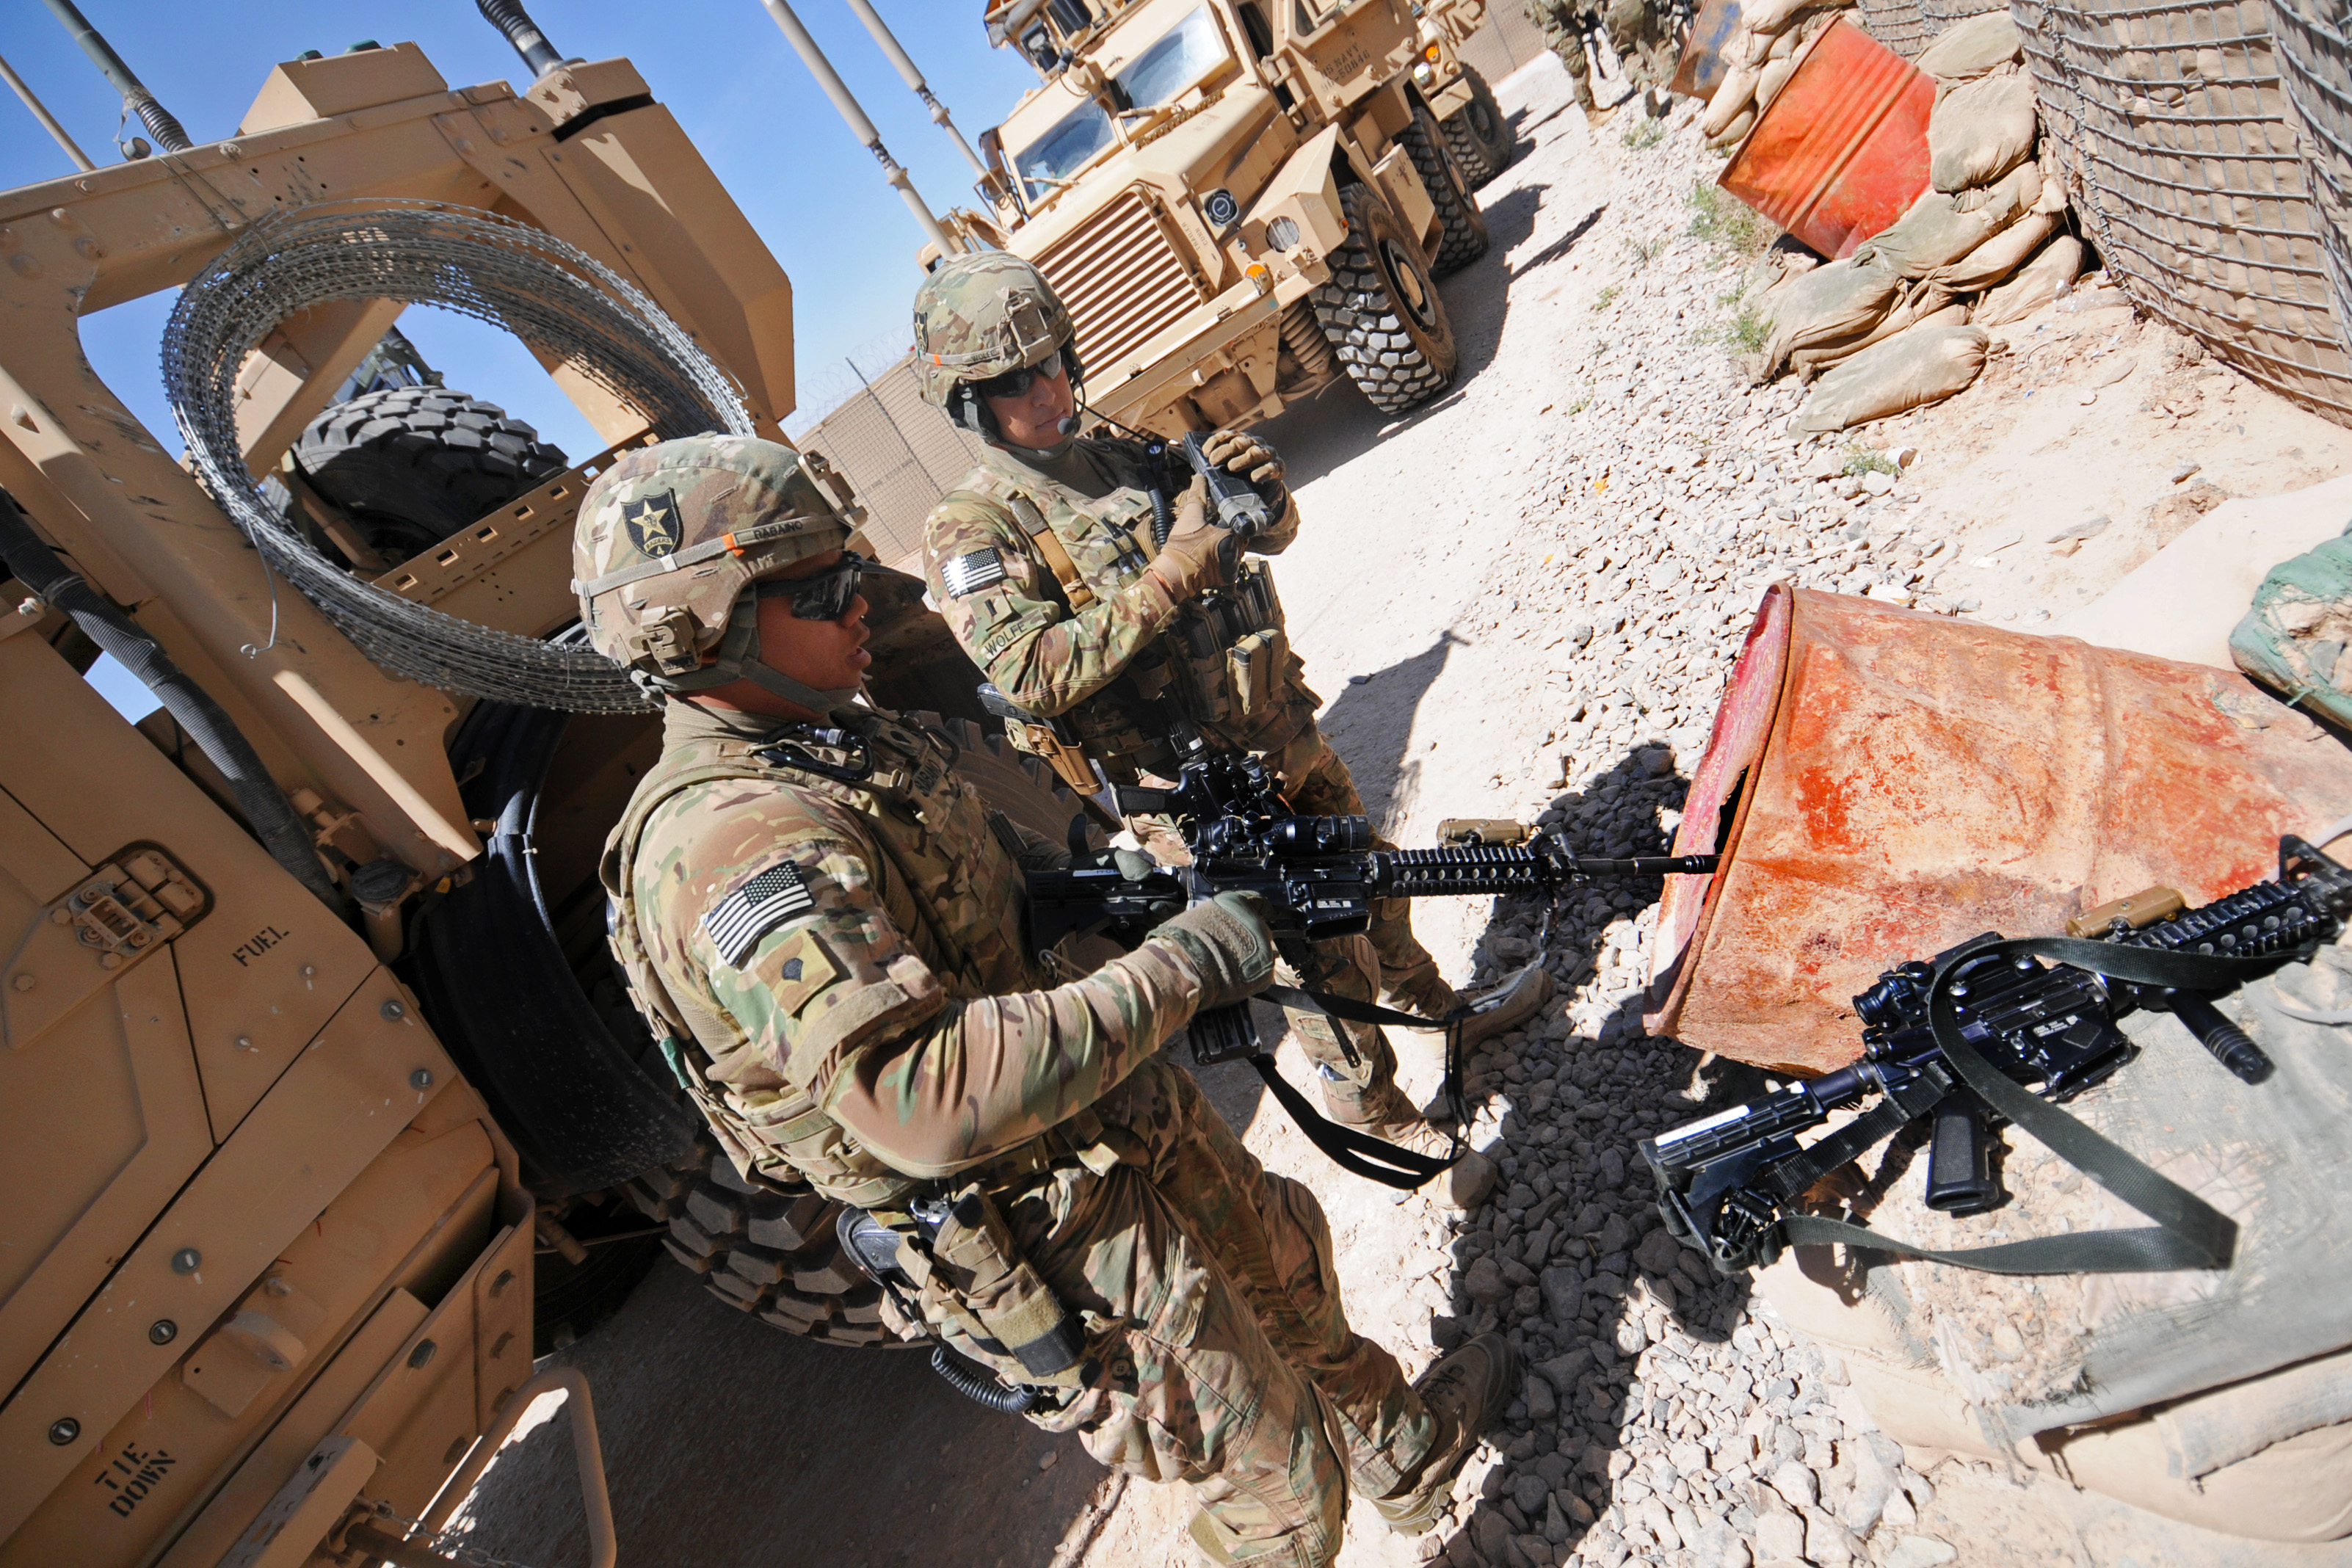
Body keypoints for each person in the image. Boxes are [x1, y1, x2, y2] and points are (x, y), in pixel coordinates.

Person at [581, 434, 1515, 1567]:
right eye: (821, 591)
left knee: (1286, 1272)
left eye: (852, 571)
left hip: (1100, 1112)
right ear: (697, 630)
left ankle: (1406, 1454)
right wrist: (1190, 960)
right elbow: (921, 1095)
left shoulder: (834, 743)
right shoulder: (732, 842)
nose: (862, 604)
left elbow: (983, 884)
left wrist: (1142, 893)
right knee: (1282, 1494)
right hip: (1035, 1225)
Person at [912, 253, 1549, 1164]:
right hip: (1192, 793)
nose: (1047, 388)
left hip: (1274, 725)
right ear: (971, 403)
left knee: (1372, 878)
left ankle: (1442, 1010)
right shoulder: (973, 527)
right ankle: (1373, 1108)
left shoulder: (1125, 455)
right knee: (1320, 942)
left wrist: (1267, 498)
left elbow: (1261, 537)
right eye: (1015, 381)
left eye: (1053, 360)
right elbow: (1029, 672)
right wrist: (1172, 572)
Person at [1528, 0, 1679, 122]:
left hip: (1608, 14)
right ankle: (1678, 89)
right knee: (1657, 42)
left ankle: (1644, 84)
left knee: (1628, 53)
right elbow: (1558, 5)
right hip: (1562, 33)